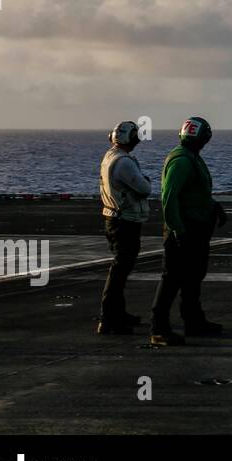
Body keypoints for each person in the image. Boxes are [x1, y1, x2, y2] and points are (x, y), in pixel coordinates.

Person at [151, 117, 227, 346]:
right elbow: (169, 197)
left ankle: (194, 321)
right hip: (184, 230)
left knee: (193, 278)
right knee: (172, 279)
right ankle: (159, 328)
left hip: (195, 229)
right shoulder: (182, 161)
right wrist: (178, 229)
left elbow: (196, 193)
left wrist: (213, 206)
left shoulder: (191, 158)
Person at [97, 120, 151, 335]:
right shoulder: (124, 162)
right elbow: (145, 187)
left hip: (113, 218)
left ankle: (117, 312)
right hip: (125, 220)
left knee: (120, 269)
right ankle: (109, 317)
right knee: (120, 271)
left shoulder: (110, 156)